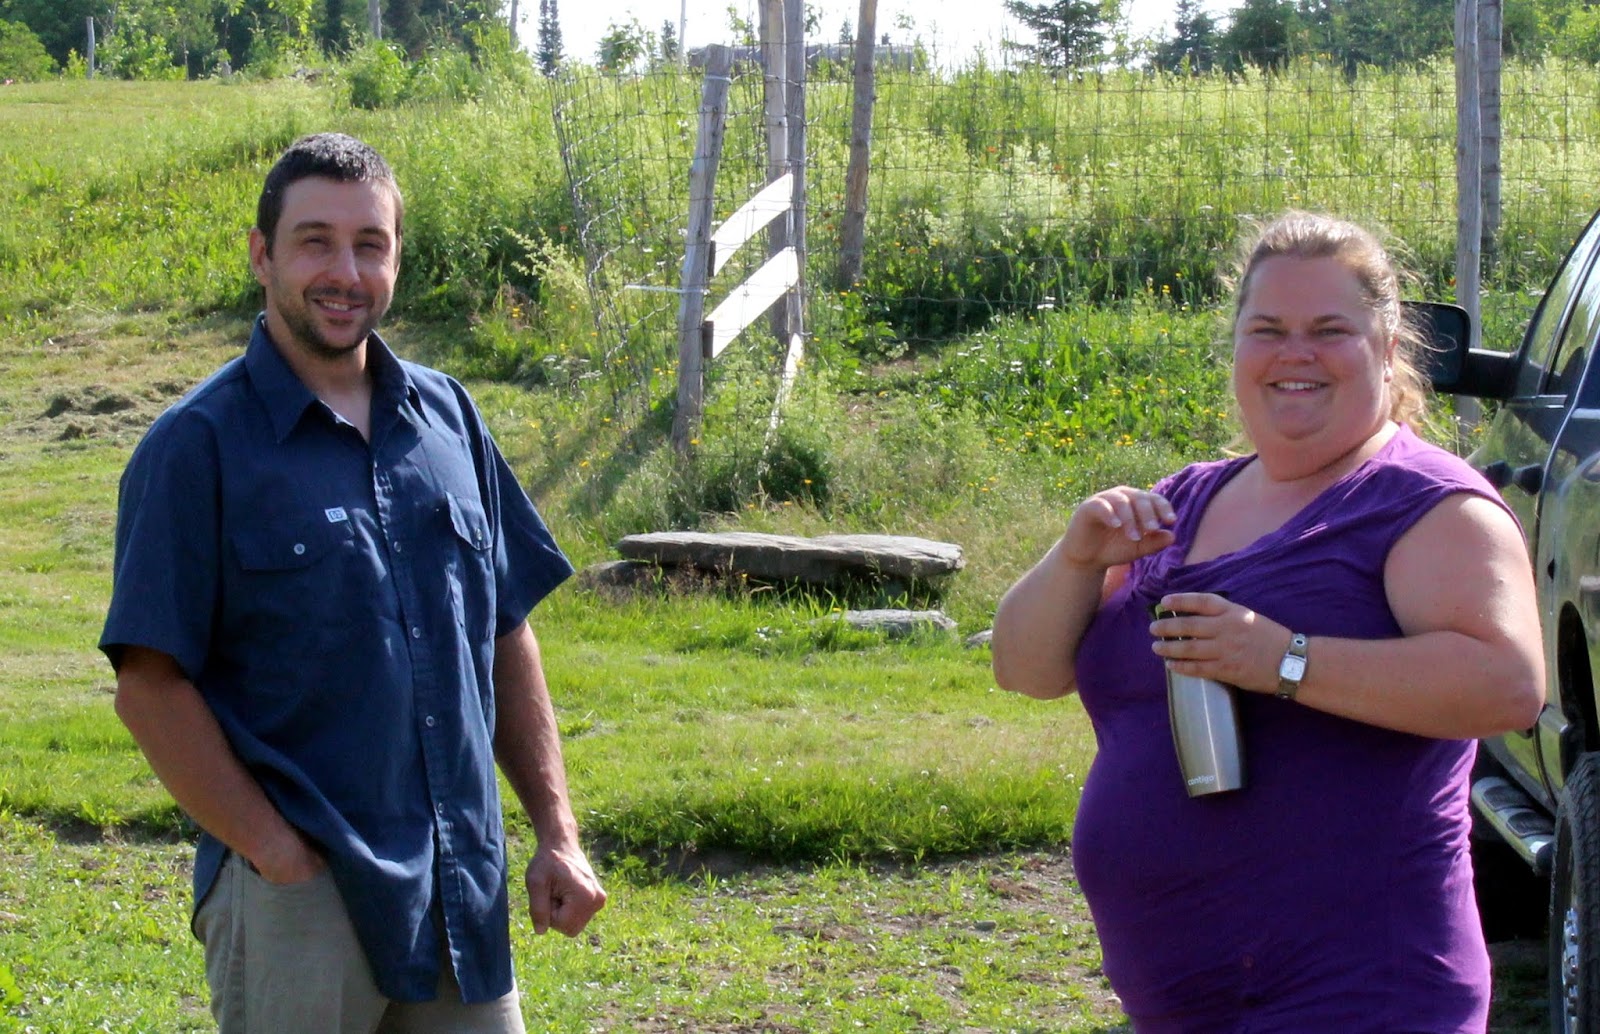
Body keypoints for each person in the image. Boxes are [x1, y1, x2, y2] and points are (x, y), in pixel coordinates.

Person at [100, 132, 606, 1033]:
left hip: (458, 890)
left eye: (370, 243)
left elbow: (503, 632)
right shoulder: (197, 448)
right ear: (262, 255)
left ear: (396, 260)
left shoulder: (449, 419)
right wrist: (275, 854)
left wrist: (556, 832)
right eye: (315, 241)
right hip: (303, 897)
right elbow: (149, 687)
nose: (346, 270)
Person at [990, 211, 1544, 1032]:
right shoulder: (1182, 500)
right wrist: (1076, 560)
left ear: (1388, 350)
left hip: (1363, 990)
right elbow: (1025, 671)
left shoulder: (1427, 506)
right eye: (1268, 330)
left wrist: (1284, 659)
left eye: (1330, 330)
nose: (1295, 353)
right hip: (1186, 1000)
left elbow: (1507, 688)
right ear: (1239, 347)